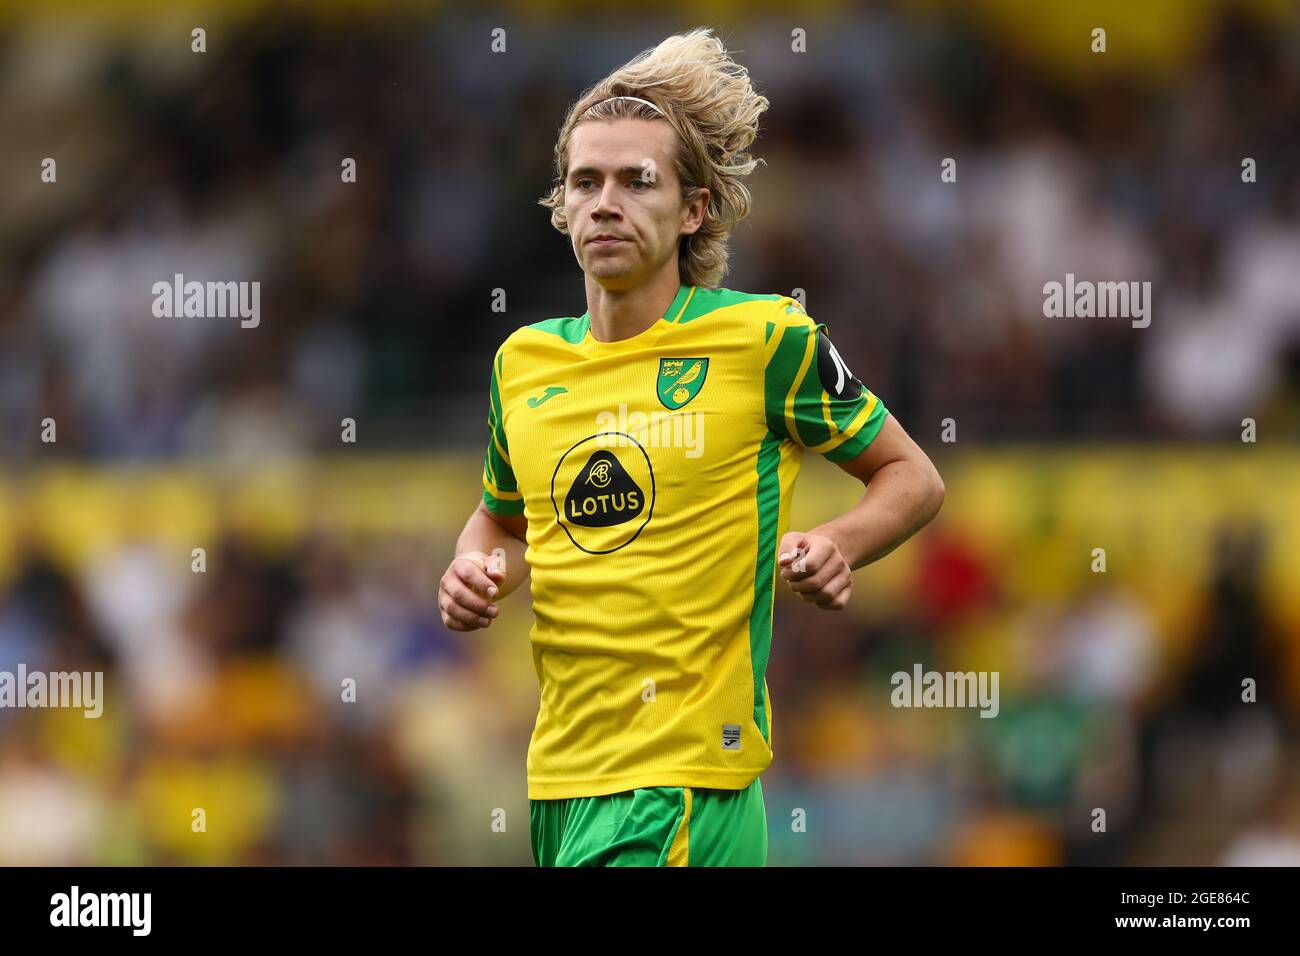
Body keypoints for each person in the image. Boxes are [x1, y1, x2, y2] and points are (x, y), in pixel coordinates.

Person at [438, 27, 944, 866]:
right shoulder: (522, 363)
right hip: (561, 781)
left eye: (639, 182)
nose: (606, 202)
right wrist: (473, 568)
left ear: (694, 208)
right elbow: (504, 522)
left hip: (673, 782)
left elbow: (913, 477)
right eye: (584, 181)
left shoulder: (764, 339)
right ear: (561, 204)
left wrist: (835, 543)